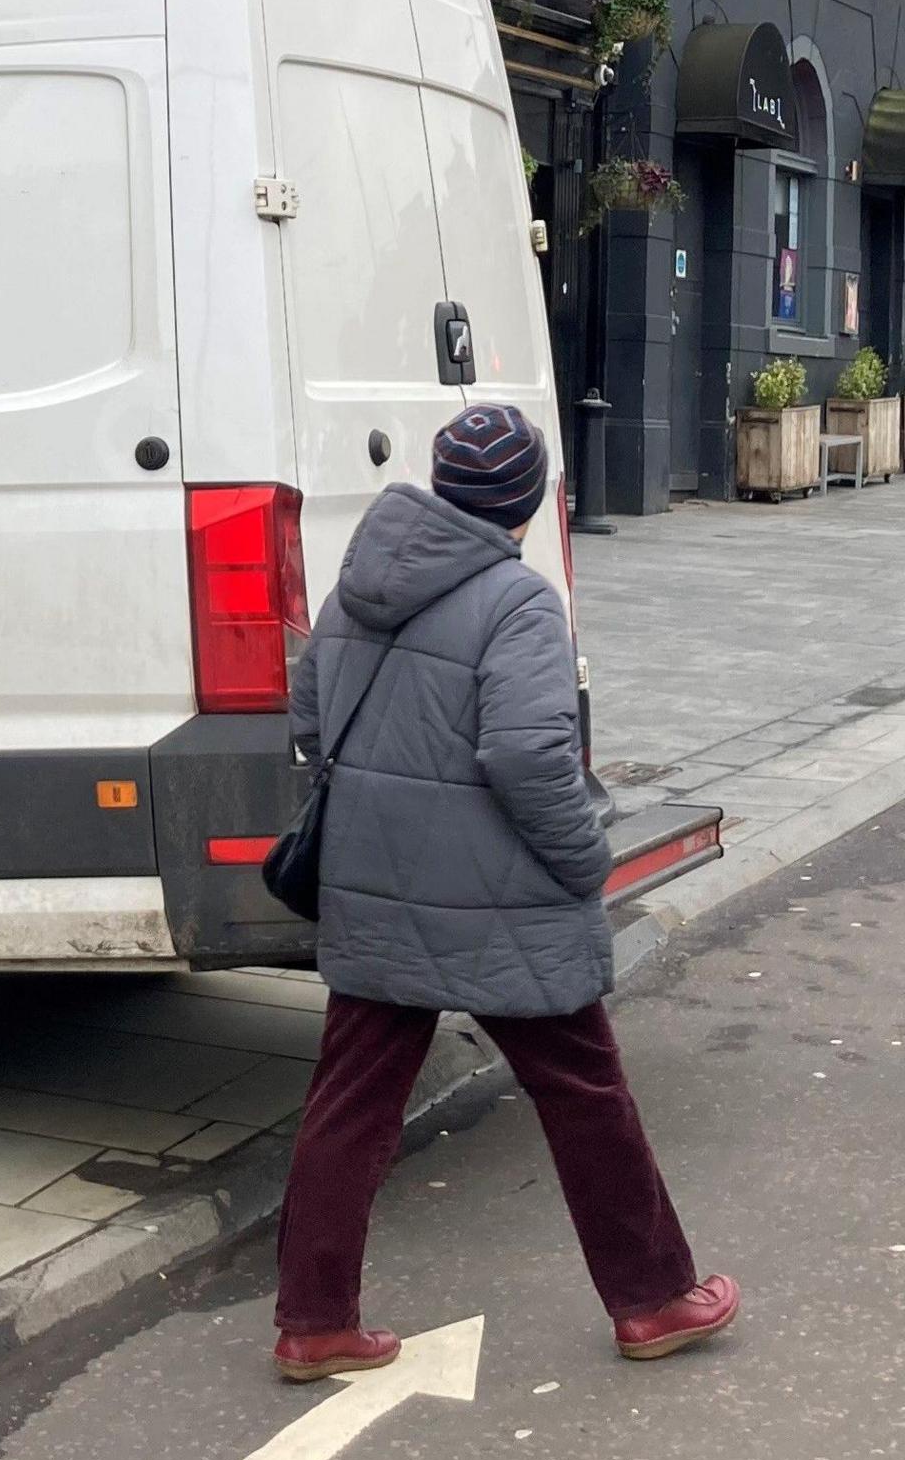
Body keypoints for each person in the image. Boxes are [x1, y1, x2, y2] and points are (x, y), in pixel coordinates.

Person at [272, 404, 738, 1378]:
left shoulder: (363, 578)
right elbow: (527, 756)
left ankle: (314, 1323)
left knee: (350, 1103)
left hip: (376, 881)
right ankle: (654, 1298)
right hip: (500, 897)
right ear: (526, 501)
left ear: (444, 486)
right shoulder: (516, 600)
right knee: (583, 1090)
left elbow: (311, 715)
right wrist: (581, 861)